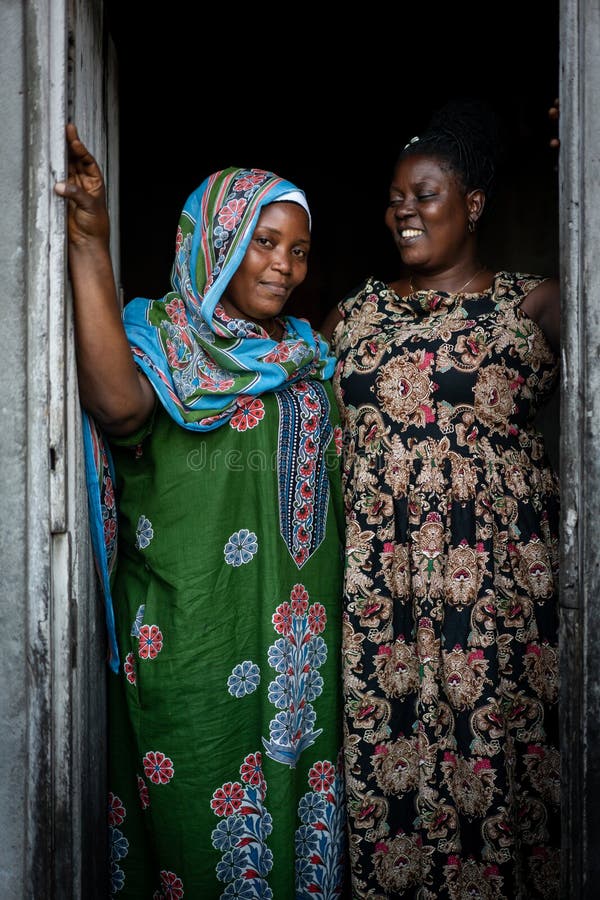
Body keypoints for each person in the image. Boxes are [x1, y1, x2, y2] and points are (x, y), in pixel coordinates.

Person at [54, 124, 347, 898]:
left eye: (299, 249)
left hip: (297, 668)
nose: (284, 266)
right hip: (193, 646)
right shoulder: (163, 337)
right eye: (264, 242)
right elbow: (119, 410)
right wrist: (90, 240)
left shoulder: (305, 353)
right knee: (197, 831)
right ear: (217, 243)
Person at [321, 98, 560, 899]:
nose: (404, 211)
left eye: (425, 195)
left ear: (474, 204)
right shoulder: (353, 315)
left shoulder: (534, 306)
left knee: (494, 782)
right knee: (386, 790)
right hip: (376, 604)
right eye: (396, 198)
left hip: (494, 603)